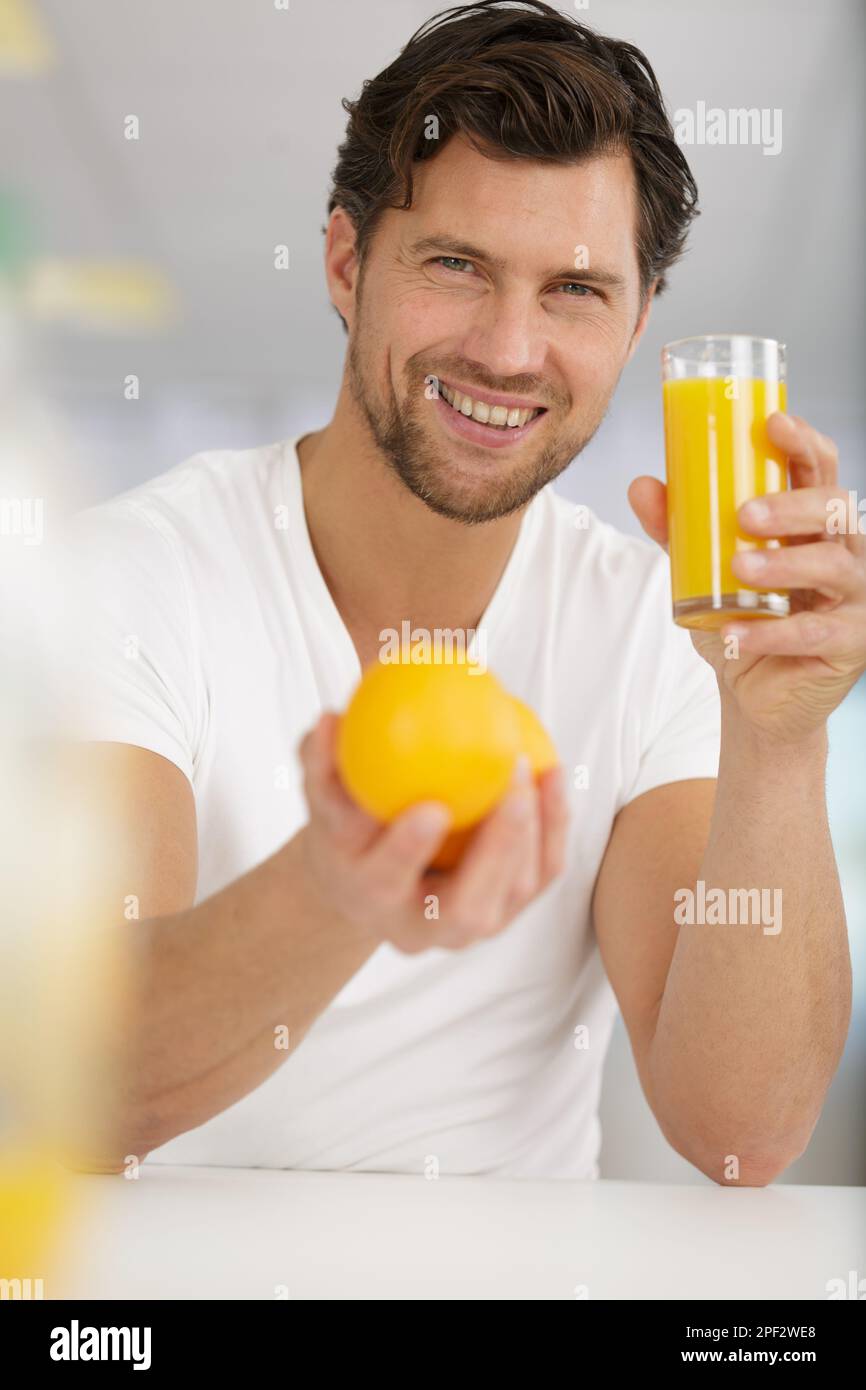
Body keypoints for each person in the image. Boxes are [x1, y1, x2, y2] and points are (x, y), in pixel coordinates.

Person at [60, 1, 861, 1184]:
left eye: (574, 291)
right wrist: (344, 888)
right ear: (346, 262)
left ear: (636, 323)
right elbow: (73, 1074)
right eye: (454, 265)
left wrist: (780, 740)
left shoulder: (662, 631)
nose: (506, 348)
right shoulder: (126, 575)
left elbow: (738, 1133)